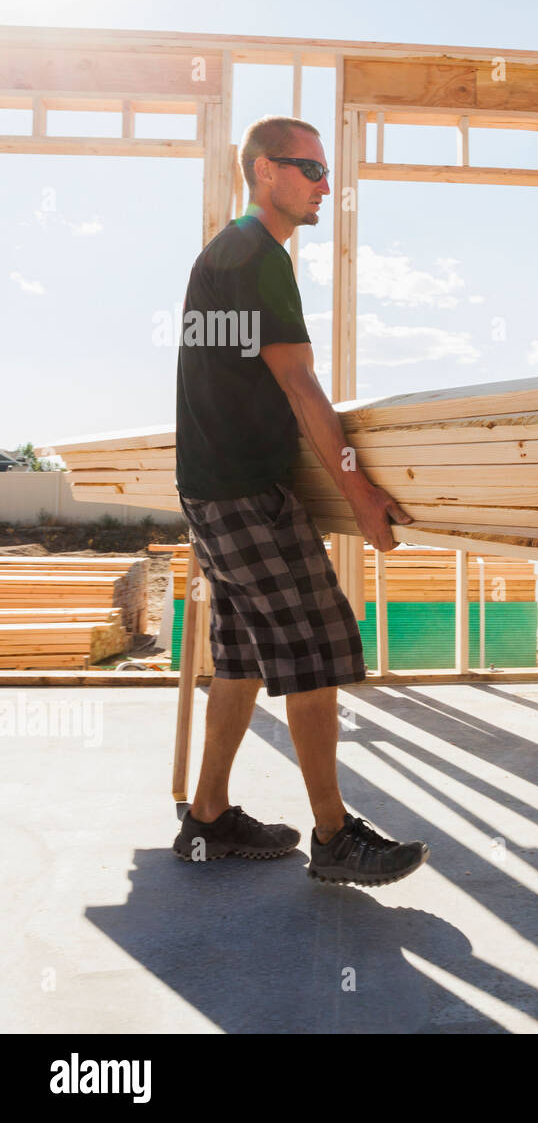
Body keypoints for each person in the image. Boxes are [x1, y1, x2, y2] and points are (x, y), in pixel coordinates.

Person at [171, 114, 428, 887]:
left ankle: (208, 818)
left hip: (211, 490)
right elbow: (301, 383)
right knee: (315, 649)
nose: (325, 184)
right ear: (262, 172)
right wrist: (359, 490)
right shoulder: (256, 255)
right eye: (308, 169)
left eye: (325, 171)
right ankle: (334, 837)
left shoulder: (225, 255)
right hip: (246, 494)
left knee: (244, 657)